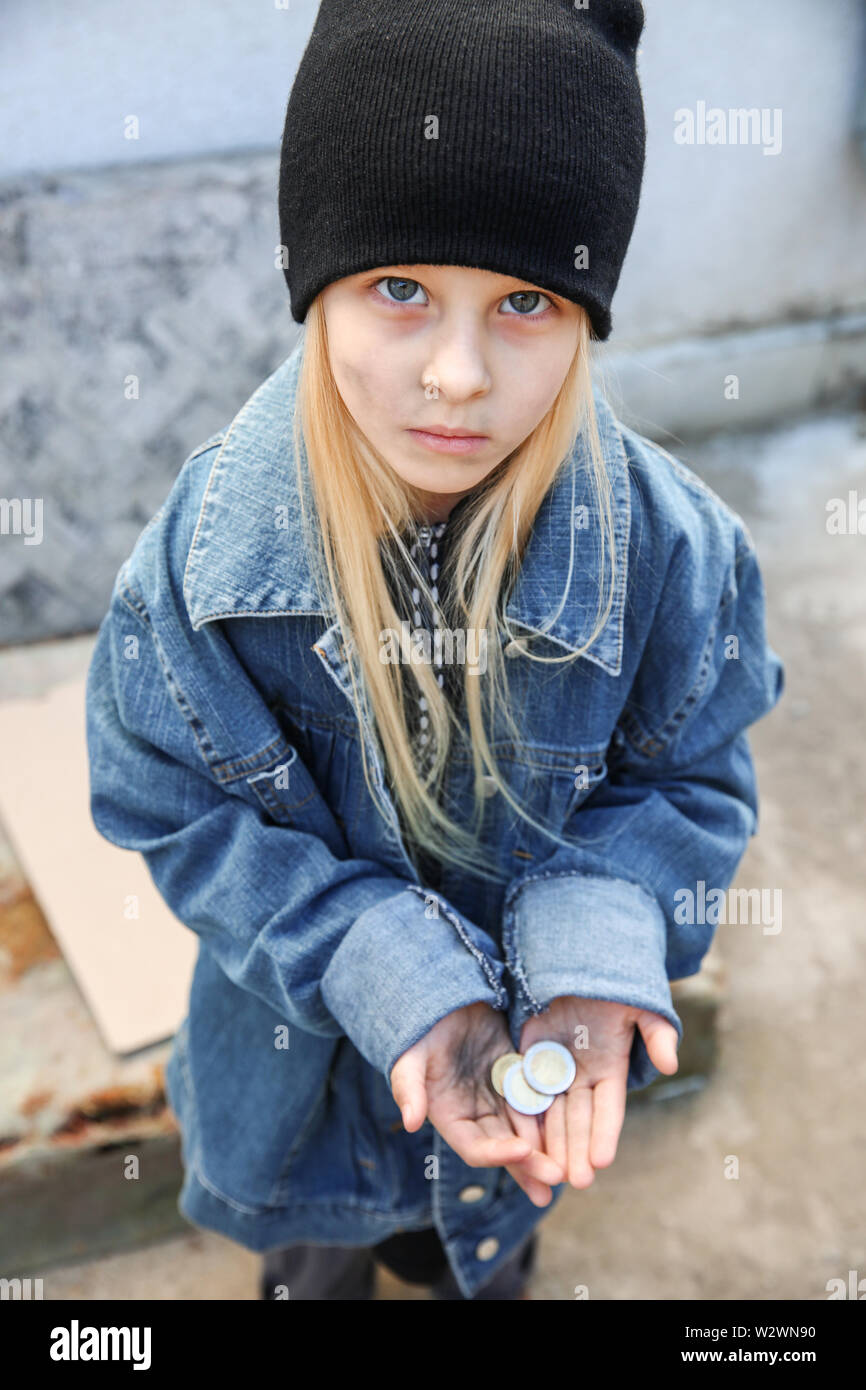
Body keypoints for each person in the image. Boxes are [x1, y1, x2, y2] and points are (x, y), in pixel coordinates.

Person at [84, 0, 785, 1301]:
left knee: (484, 1259)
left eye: (524, 299)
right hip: (305, 1080)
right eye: (398, 288)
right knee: (320, 1261)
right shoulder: (200, 567)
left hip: (524, 1093)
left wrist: (585, 964)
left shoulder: (675, 555)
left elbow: (689, 782)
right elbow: (171, 807)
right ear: (317, 285)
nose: (457, 374)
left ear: (585, 317)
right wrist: (383, 969)